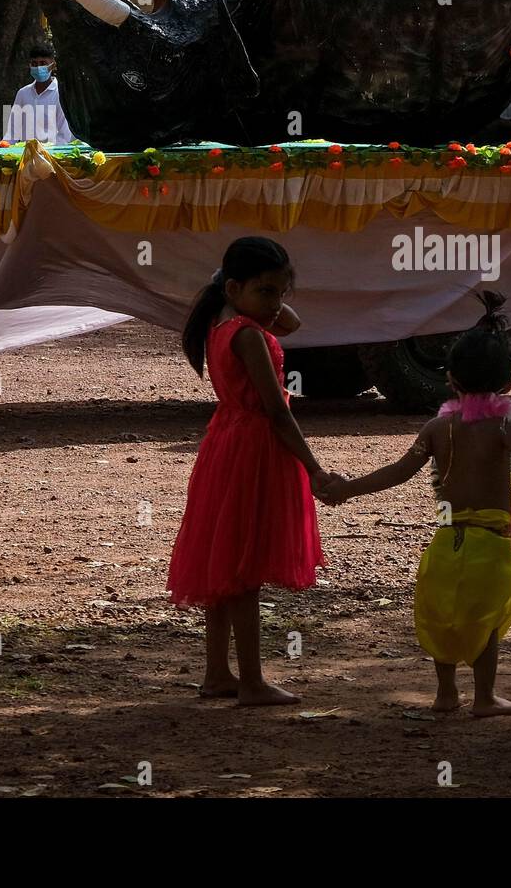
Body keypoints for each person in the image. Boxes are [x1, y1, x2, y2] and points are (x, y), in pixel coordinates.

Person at [319, 293, 511, 717]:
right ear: (507, 383)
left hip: (446, 541)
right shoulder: (504, 423)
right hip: (490, 543)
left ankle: (445, 694)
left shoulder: (436, 426)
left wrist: (347, 489)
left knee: (445, 614)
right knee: (485, 620)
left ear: (450, 380)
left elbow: (398, 472)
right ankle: (484, 697)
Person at [167, 237, 334, 705]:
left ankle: (218, 674)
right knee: (244, 568)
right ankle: (253, 682)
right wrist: (314, 469)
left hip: (226, 442)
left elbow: (293, 322)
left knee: (225, 562)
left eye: (281, 291)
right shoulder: (249, 335)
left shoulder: (224, 323)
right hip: (254, 448)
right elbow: (277, 412)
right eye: (266, 292)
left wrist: (263, 301)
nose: (277, 303)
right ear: (235, 286)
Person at [2, 43, 76, 145]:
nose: (38, 67)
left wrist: (51, 154)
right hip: (25, 154)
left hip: (52, 155)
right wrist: (5, 146)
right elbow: (13, 129)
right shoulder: (23, 93)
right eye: (34, 64)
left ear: (53, 65)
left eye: (43, 63)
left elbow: (64, 134)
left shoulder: (61, 93)